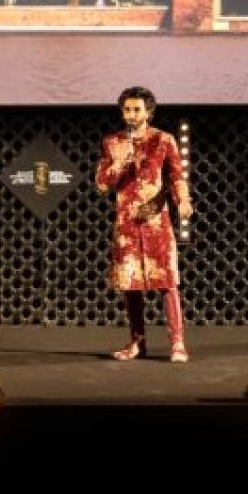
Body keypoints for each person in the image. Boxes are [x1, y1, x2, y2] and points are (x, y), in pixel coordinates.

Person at [95, 84, 193, 362]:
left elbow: (176, 176)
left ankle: (177, 343)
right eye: (127, 109)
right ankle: (137, 343)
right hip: (127, 224)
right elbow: (101, 184)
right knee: (130, 284)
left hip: (155, 221)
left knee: (167, 282)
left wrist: (183, 201)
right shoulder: (112, 142)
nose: (131, 115)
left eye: (136, 109)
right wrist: (119, 164)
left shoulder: (163, 140)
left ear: (148, 112)